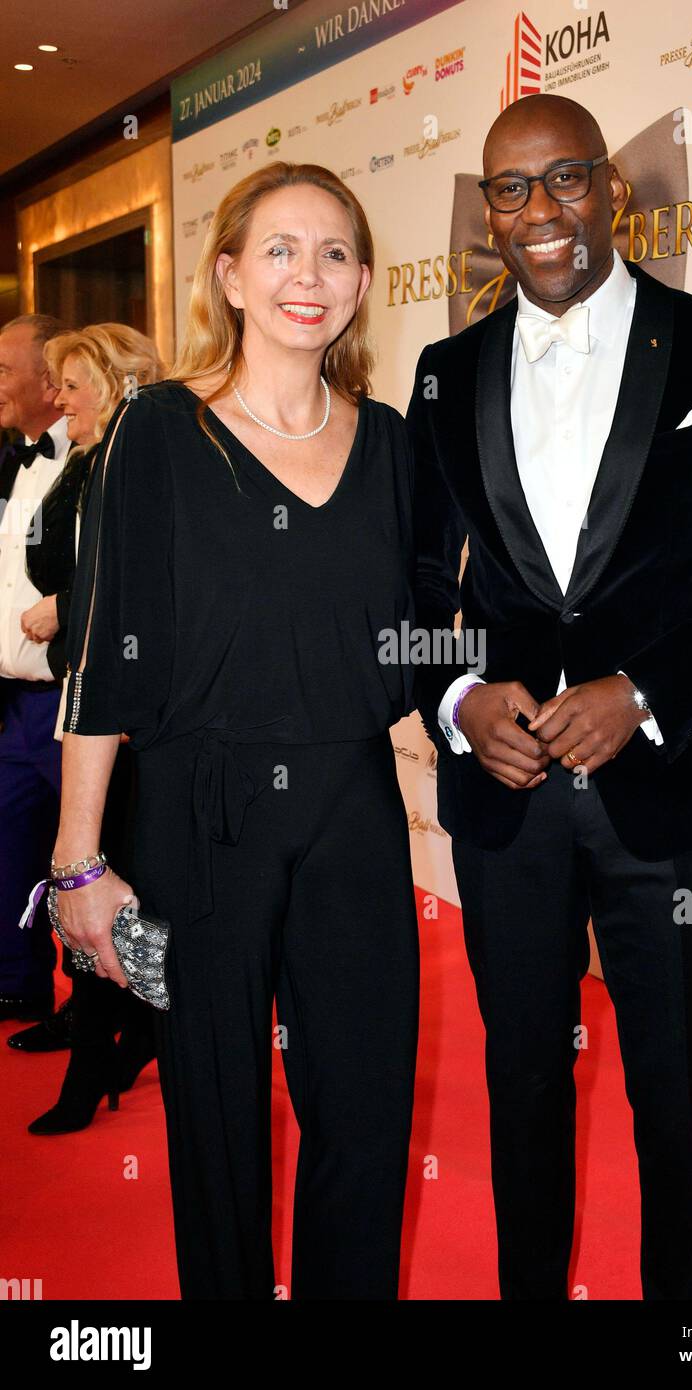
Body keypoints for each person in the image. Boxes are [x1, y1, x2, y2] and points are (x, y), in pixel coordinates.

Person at [406, 94, 692, 1300]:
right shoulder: (444, 376)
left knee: (679, 1106)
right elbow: (415, 585)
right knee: (523, 1090)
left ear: (611, 189)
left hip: (672, 796)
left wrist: (644, 691)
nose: (539, 212)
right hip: (507, 808)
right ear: (488, 211)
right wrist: (461, 696)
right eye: (510, 189)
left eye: (566, 178)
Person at [52, 162, 419, 1300]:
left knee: (364, 1108)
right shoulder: (158, 432)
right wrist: (78, 859)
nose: (308, 276)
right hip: (197, 812)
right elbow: (104, 651)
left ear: (362, 283)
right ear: (228, 274)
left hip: (356, 808)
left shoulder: (397, 444)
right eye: (280, 249)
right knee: (213, 1122)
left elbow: (438, 633)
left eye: (335, 253)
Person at [11, 325, 162, 1134]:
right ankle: (124, 1034)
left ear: (114, 380)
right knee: (98, 882)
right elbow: (56, 559)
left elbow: (137, 580)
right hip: (87, 699)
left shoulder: (140, 460)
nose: (57, 397)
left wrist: (68, 608)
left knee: (116, 885)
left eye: (72, 382)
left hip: (128, 715)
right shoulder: (89, 461)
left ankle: (106, 1049)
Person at [0, 315, 73, 1024]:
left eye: (2, 369)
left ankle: (100, 1014)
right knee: (8, 847)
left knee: (86, 858)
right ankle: (17, 981)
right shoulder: (6, 460)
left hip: (73, 699)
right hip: (11, 704)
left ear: (48, 381)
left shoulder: (95, 461)